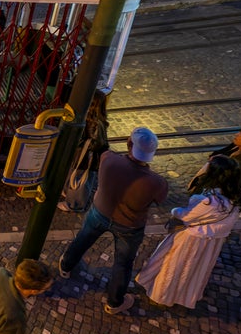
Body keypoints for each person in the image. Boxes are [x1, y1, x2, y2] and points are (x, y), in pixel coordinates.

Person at [58, 126, 168, 314]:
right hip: (130, 225)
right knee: (123, 263)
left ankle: (66, 265)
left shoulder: (109, 159)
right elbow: (160, 199)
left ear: (129, 143)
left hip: (100, 212)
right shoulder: (157, 182)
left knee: (83, 239)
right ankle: (115, 302)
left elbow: (106, 155)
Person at [136, 155, 241, 309]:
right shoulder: (234, 200)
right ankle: (182, 294)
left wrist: (175, 211)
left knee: (174, 267)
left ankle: (162, 296)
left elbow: (186, 215)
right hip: (210, 242)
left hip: (191, 239)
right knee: (194, 270)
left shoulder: (208, 200)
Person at [58, 91, 111, 213]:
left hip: (86, 158)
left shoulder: (93, 123)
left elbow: (95, 143)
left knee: (80, 180)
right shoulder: (99, 120)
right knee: (78, 177)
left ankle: (74, 204)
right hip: (87, 158)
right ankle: (69, 193)